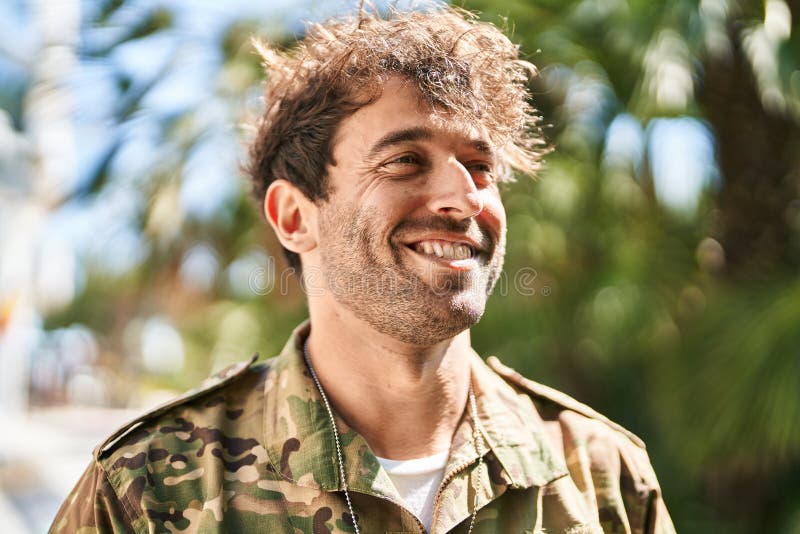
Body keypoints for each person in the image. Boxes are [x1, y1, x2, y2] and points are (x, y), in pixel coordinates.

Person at [50, 7, 675, 534]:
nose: (465, 198)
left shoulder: (602, 477)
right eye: (405, 160)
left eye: (479, 166)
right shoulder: (148, 488)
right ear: (295, 216)